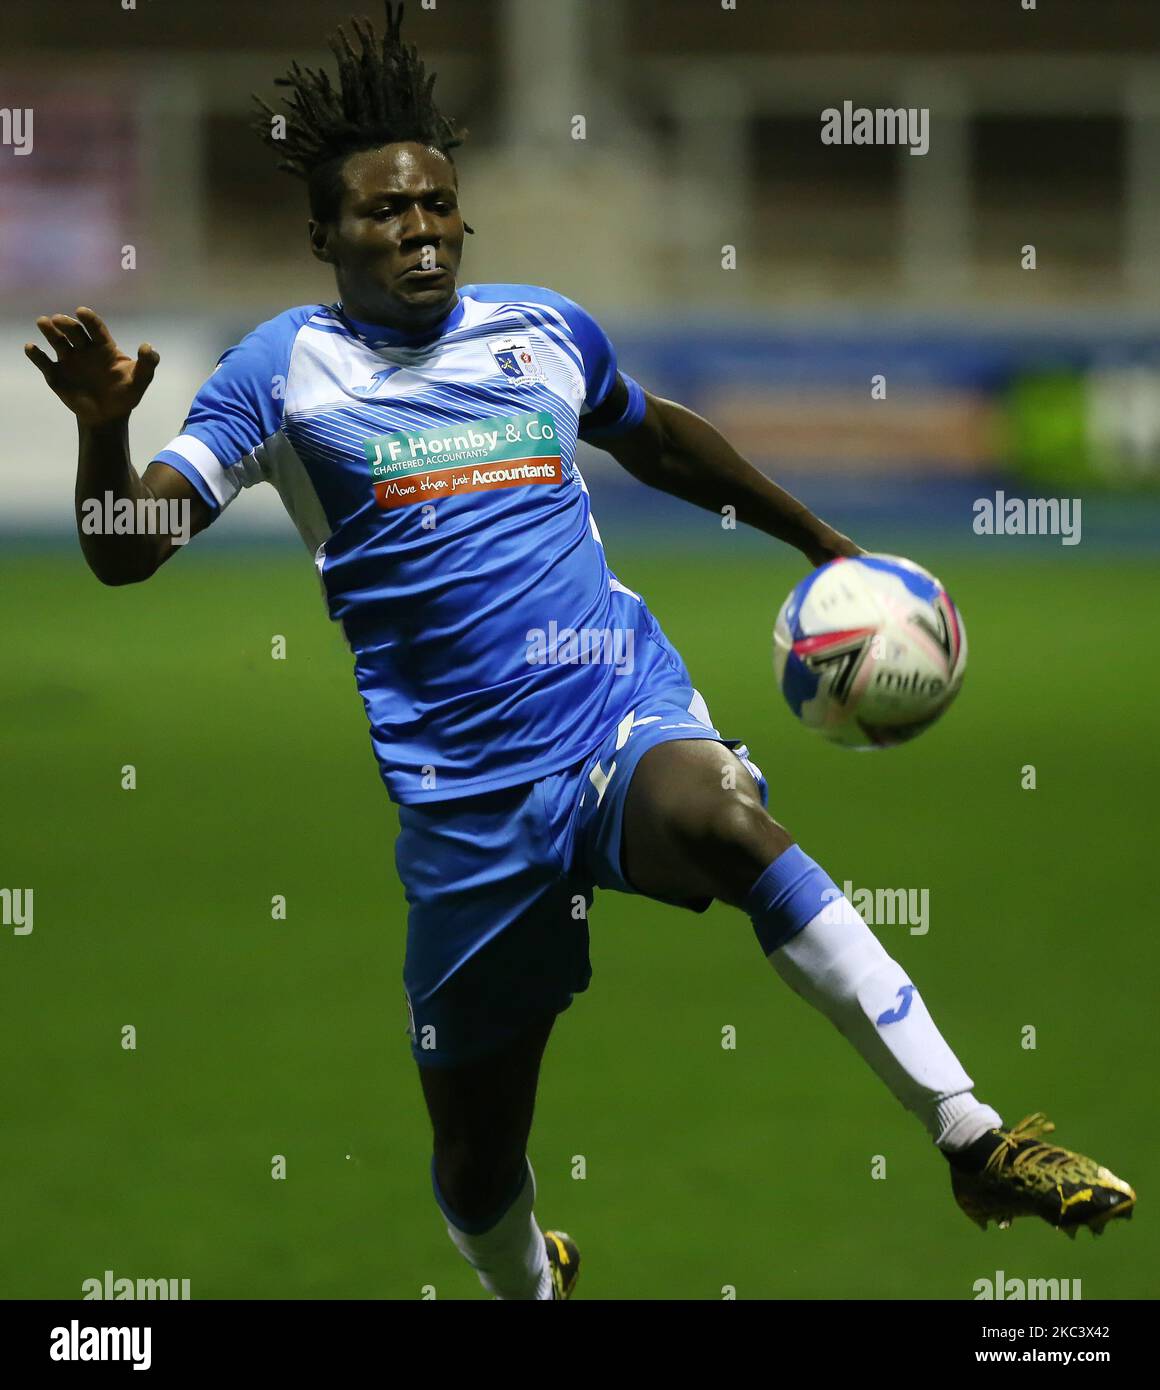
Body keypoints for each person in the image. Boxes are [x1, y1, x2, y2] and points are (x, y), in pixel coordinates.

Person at [26, 2, 1134, 1301]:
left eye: (440, 205)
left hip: (616, 713)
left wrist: (824, 544)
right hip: (466, 804)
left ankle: (970, 1132)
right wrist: (107, 432)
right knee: (479, 1153)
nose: (422, 230)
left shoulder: (541, 327)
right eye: (386, 214)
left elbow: (656, 435)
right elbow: (123, 546)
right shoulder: (282, 373)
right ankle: (529, 1284)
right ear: (324, 236)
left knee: (728, 825)